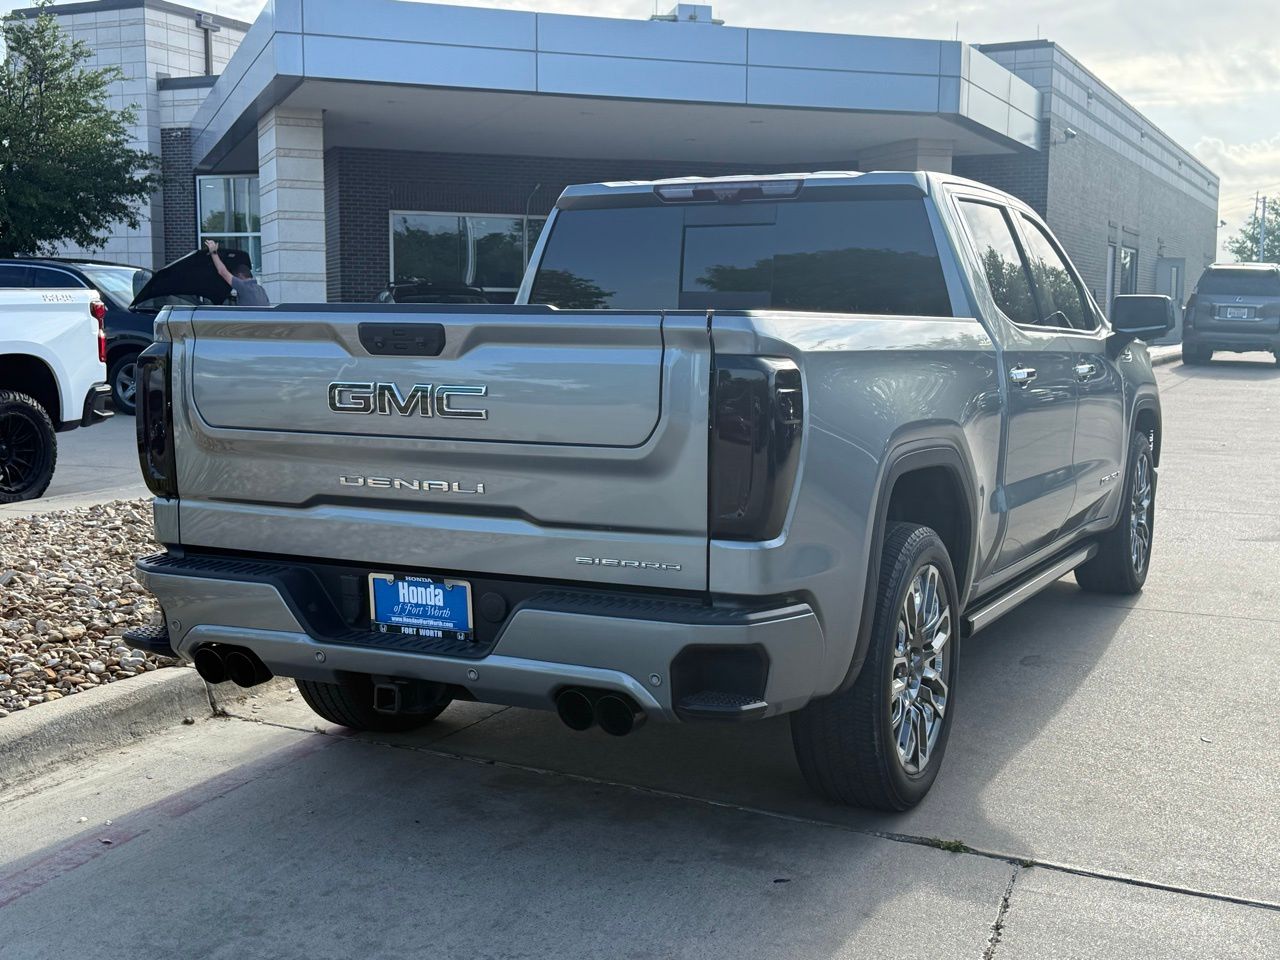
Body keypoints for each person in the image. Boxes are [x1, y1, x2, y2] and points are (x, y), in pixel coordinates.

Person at [204, 239, 270, 306]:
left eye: (234, 276)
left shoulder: (244, 286)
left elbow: (222, 272)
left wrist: (213, 252)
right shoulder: (260, 289)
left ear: (240, 275)